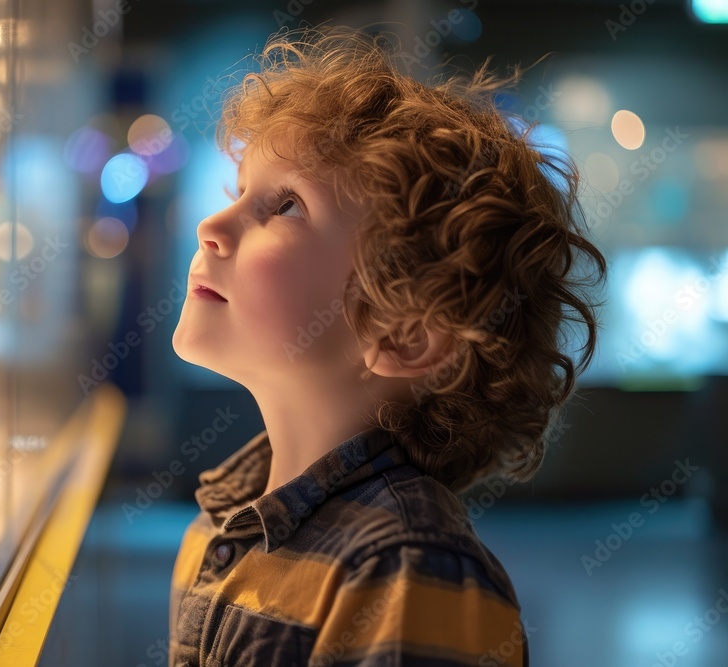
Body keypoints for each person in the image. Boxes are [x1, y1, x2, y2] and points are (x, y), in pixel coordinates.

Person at [168, 24, 606, 667]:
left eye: (286, 205)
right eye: (239, 194)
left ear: (405, 334)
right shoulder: (218, 523)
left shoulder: (409, 571)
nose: (212, 225)